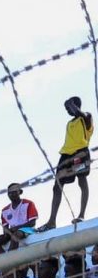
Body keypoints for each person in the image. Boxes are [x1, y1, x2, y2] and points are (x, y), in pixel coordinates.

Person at [39, 95, 93, 231]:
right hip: (65, 155)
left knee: (82, 180)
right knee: (57, 186)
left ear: (75, 105)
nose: (67, 111)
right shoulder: (69, 123)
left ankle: (81, 215)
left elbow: (83, 115)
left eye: (68, 108)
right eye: (66, 108)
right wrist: (69, 105)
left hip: (80, 153)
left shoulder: (86, 117)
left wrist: (72, 104)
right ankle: (52, 221)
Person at [0, 182, 38, 255]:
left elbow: (32, 223)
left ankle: (10, 258)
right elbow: (5, 228)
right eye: (9, 193)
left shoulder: (28, 203)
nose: (12, 194)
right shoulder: (5, 210)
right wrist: (6, 233)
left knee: (15, 236)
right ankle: (5, 259)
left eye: (14, 192)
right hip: (13, 231)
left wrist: (16, 228)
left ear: (20, 192)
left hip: (28, 229)